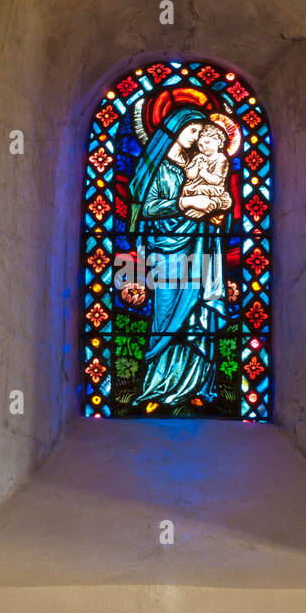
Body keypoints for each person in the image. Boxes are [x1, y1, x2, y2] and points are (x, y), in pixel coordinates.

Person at [127, 107, 234, 411]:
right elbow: (146, 207)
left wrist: (217, 205)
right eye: (194, 131)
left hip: (199, 245)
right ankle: (157, 385)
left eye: (203, 133)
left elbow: (219, 197)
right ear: (176, 129)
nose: (199, 138)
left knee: (196, 316)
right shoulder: (157, 167)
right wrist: (185, 201)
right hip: (167, 251)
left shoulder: (197, 163)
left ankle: (196, 384)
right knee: (166, 316)